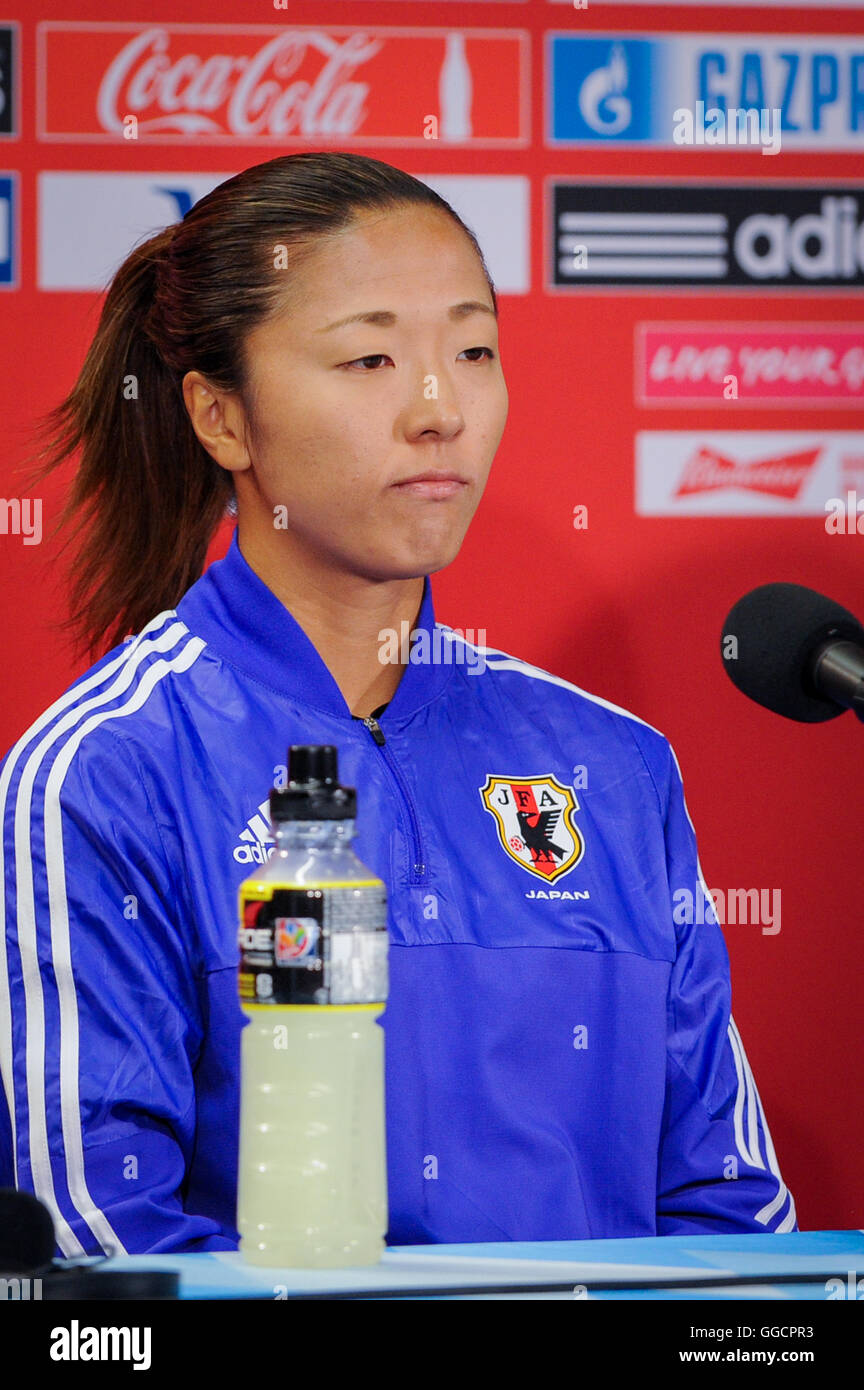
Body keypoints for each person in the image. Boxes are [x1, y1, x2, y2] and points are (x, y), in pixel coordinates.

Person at [0, 152, 796, 1256]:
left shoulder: (615, 765)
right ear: (221, 417)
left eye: (472, 351)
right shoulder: (105, 771)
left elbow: (731, 1215)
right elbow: (98, 1241)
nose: (439, 411)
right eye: (370, 357)